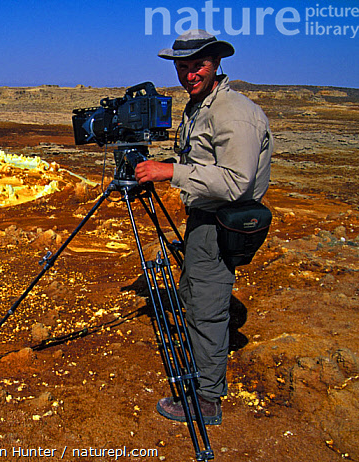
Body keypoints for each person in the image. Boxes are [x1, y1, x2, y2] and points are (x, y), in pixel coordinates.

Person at [134, 29, 273, 425]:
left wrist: (169, 172)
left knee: (208, 307)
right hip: (203, 218)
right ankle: (205, 360)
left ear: (216, 64)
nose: (190, 73)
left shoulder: (232, 112)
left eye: (200, 65)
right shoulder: (200, 105)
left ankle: (207, 399)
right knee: (195, 294)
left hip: (220, 221)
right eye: (183, 66)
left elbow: (235, 181)